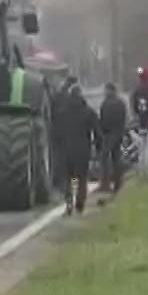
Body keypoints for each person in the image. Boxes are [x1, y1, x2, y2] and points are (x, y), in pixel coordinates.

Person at [52, 81, 97, 214]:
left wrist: (57, 147)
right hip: (82, 151)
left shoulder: (61, 112)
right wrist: (98, 147)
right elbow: (97, 131)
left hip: (66, 151)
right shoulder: (88, 112)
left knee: (69, 179)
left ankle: (69, 201)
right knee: (81, 178)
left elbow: (54, 133)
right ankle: (80, 203)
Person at [97, 82, 128, 194]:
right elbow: (124, 118)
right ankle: (118, 183)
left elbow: (103, 120)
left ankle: (105, 184)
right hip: (118, 133)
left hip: (108, 134)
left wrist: (101, 131)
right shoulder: (121, 103)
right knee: (116, 159)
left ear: (109, 91)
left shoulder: (106, 103)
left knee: (104, 158)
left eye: (105, 90)